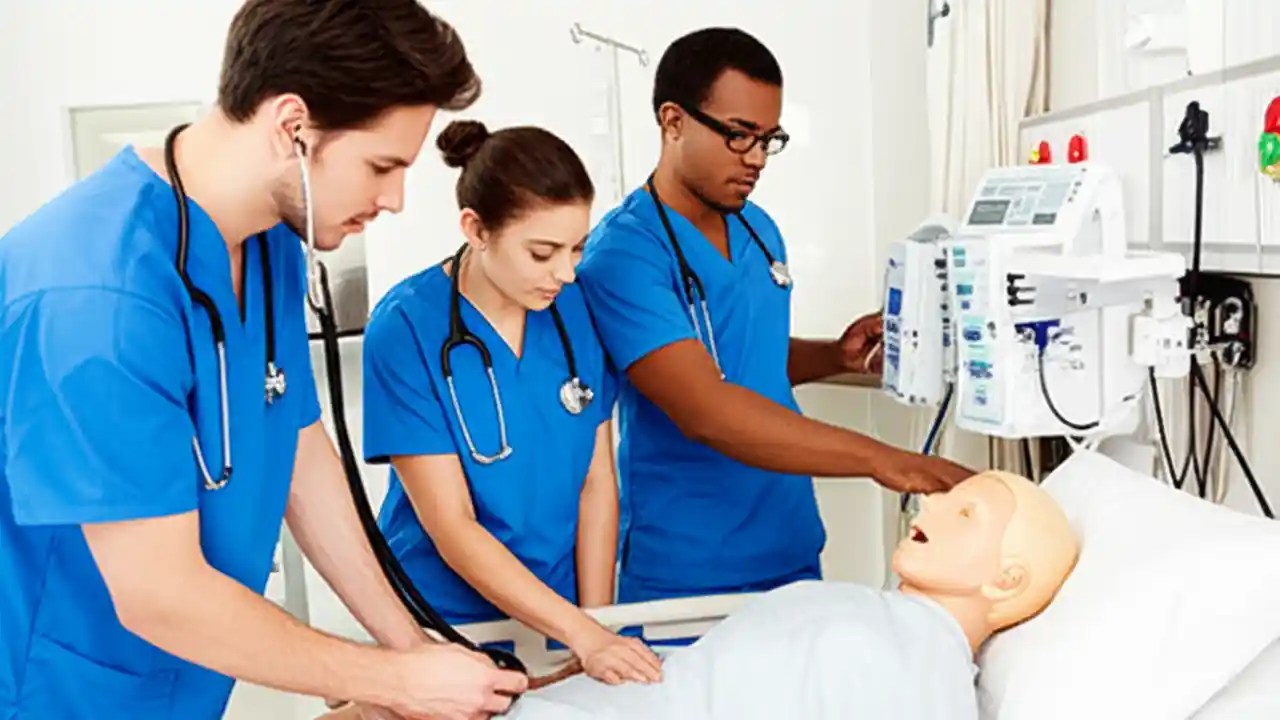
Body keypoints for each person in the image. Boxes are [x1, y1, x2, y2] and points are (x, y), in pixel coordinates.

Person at [0, 2, 526, 718]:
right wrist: (392, 682)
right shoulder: (94, 293)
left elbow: (300, 450)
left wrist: (410, 650)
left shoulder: (271, 238)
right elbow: (158, 594)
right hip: (64, 693)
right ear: (291, 127)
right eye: (382, 166)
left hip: (187, 682)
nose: (396, 200)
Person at [574, 26, 974, 607]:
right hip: (687, 569)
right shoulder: (625, 255)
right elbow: (705, 408)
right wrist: (888, 462)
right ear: (673, 121)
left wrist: (832, 356)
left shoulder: (757, 229)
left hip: (789, 547)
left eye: (769, 138)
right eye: (739, 136)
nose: (757, 158)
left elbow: (746, 355)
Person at [358, 119, 663, 691]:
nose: (566, 272)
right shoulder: (406, 328)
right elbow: (451, 525)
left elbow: (598, 482)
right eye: (543, 252)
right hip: (443, 618)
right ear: (476, 229)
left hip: (560, 616)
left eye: (576, 247)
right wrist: (581, 632)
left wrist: (593, 624)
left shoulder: (575, 310)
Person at [484, 469, 1080, 719]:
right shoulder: (867, 609)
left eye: (966, 512)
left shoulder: (926, 677)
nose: (931, 502)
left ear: (1007, 579)